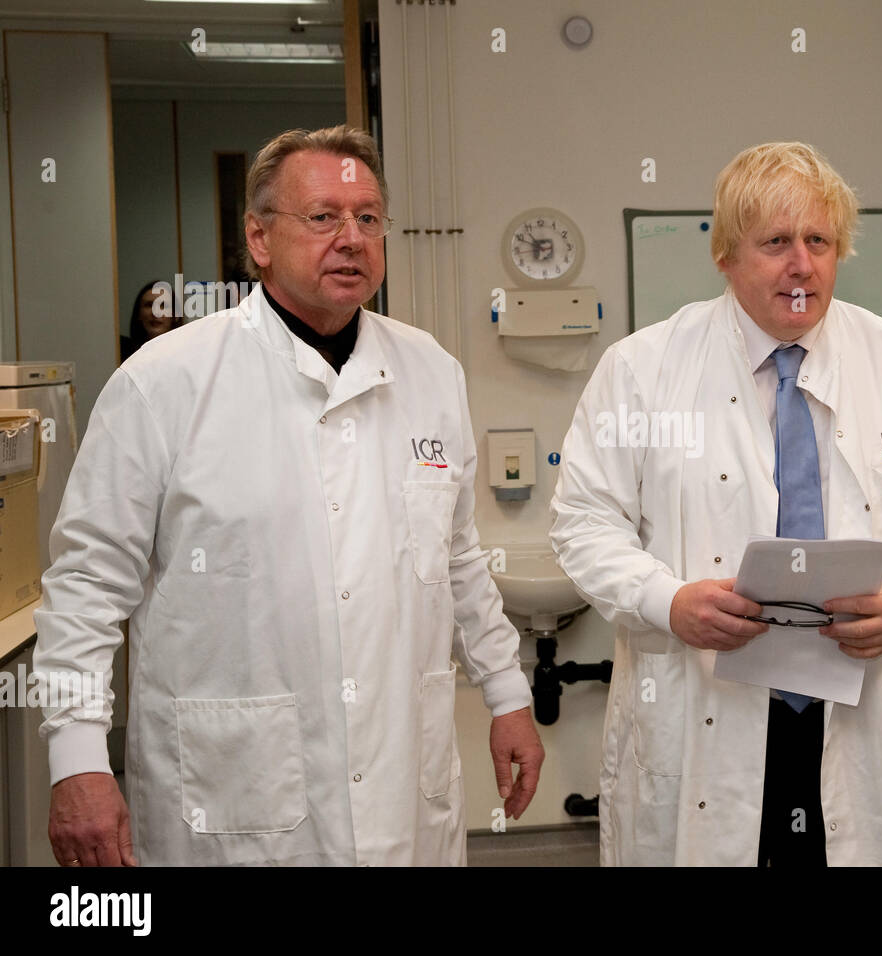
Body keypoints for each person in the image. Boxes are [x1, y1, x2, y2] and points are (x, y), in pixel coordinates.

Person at [33, 125, 543, 866]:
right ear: (259, 239)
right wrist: (77, 758)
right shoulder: (165, 381)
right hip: (234, 796)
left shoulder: (431, 372)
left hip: (404, 785)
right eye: (323, 217)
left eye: (368, 218)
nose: (351, 237)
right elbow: (86, 584)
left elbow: (460, 559)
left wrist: (507, 695)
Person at [550, 142, 882, 866]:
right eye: (776, 242)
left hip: (853, 708)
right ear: (726, 255)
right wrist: (668, 600)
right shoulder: (642, 369)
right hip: (702, 709)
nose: (801, 264)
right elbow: (583, 521)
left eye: (818, 240)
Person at [119, 280, 182, 364]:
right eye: (149, 305)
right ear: (138, 314)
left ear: (175, 315)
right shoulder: (123, 354)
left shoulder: (186, 353)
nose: (156, 313)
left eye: (163, 305)